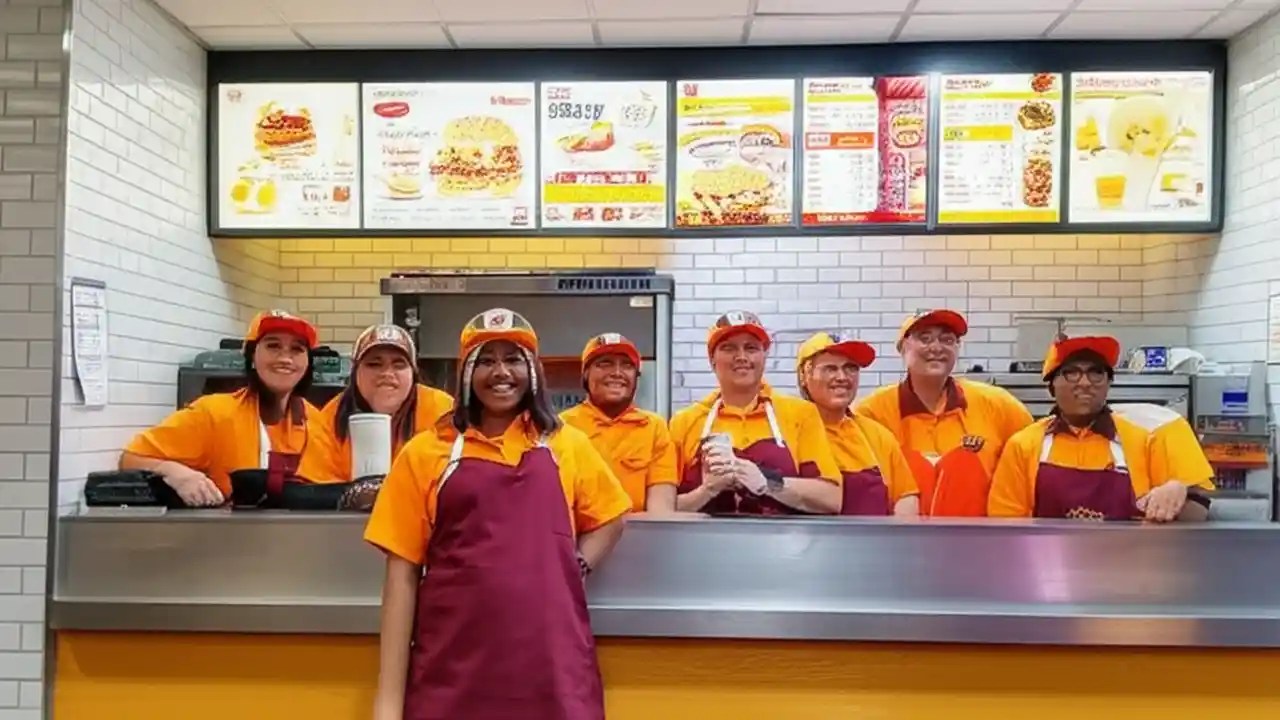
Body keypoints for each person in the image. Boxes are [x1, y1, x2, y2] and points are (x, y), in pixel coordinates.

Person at [365, 308, 631, 720]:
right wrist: (387, 705)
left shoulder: (566, 445)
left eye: (513, 359)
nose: (501, 372)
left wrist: (573, 567)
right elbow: (401, 578)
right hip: (453, 669)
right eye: (485, 360)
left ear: (533, 371)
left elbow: (612, 517)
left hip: (552, 671)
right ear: (465, 373)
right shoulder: (425, 452)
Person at [119, 310, 342, 507]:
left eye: (297, 349)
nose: (285, 358)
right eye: (273, 346)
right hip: (230, 538)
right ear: (252, 356)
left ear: (307, 363)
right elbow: (131, 459)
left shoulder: (319, 424)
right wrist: (176, 473)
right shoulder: (214, 414)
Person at [989, 335, 1214, 522]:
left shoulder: (1147, 437)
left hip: (1129, 559)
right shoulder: (1024, 445)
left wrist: (1180, 491)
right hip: (1047, 560)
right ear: (1052, 386)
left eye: (1096, 372)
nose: (1085, 382)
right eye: (1071, 372)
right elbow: (1008, 526)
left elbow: (1198, 512)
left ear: (1108, 383)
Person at [857, 309, 1033, 517]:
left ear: (957, 348)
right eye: (925, 338)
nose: (936, 347)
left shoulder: (1000, 406)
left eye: (947, 340)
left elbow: (1030, 471)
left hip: (981, 536)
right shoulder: (871, 413)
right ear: (903, 348)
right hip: (899, 536)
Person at [669, 310, 842, 515]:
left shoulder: (801, 414)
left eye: (751, 348)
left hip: (783, 537)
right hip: (703, 537)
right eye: (729, 348)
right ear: (712, 359)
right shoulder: (684, 422)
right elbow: (662, 508)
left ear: (764, 356)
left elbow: (831, 499)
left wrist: (767, 482)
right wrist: (707, 490)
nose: (741, 357)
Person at [796, 332, 919, 516]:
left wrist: (899, 530)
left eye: (850, 368)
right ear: (804, 376)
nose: (842, 377)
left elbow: (906, 496)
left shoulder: (877, 435)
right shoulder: (789, 433)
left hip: (875, 535)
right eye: (830, 368)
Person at [560, 333, 677, 513]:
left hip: (639, 530)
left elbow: (661, 510)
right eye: (605, 364)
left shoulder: (654, 428)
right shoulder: (560, 427)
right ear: (585, 374)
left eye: (627, 365)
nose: (616, 373)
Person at [320, 324, 453, 480]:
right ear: (355, 372)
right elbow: (319, 481)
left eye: (399, 364)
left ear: (413, 373)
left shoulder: (442, 409)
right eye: (374, 364)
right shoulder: (331, 416)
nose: (387, 373)